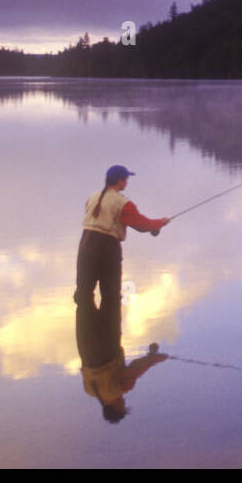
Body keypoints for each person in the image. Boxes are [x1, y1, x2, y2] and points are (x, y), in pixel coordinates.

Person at [74, 164, 171, 422]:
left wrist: (152, 358)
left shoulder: (92, 197)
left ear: (114, 407)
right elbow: (138, 224)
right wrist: (158, 223)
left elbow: (134, 372)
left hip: (85, 245)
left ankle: (86, 312)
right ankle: (97, 317)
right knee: (110, 297)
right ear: (120, 180)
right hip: (107, 248)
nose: (123, 401)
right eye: (127, 178)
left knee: (83, 295)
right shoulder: (98, 390)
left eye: (121, 405)